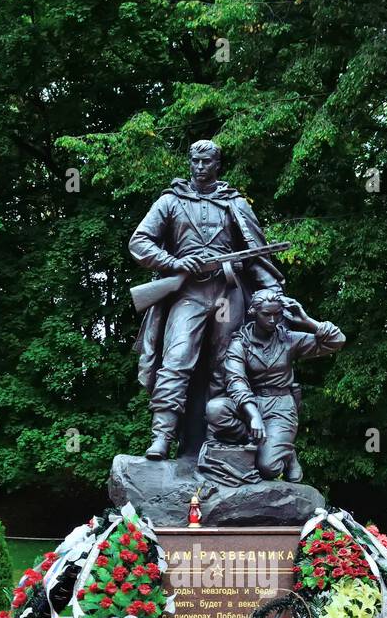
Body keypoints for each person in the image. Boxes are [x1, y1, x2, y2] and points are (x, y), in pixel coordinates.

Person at [129, 140, 284, 459]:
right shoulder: (171, 201)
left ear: (217, 165)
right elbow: (140, 242)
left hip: (228, 293)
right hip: (189, 293)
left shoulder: (234, 203)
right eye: (195, 161)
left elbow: (255, 254)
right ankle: (162, 436)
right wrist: (173, 262)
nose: (200, 167)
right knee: (176, 359)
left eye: (206, 162)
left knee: (226, 365)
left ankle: (217, 439)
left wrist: (272, 290)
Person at [206, 289, 345, 482]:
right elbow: (235, 380)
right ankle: (259, 441)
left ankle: (287, 455)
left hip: (280, 406)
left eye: (277, 314)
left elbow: (337, 341)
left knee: (269, 468)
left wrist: (306, 321)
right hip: (251, 403)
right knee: (215, 409)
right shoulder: (240, 343)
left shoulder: (289, 339)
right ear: (254, 312)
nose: (272, 320)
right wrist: (253, 414)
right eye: (267, 314)